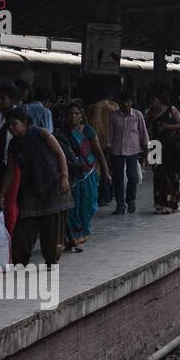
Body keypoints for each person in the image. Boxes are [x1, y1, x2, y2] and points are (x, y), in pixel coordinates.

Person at [0, 109, 71, 266]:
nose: (11, 128)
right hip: (31, 190)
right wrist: (2, 194)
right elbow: (10, 172)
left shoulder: (40, 133)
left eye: (14, 124)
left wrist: (64, 177)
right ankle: (20, 261)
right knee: (23, 231)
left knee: (52, 232)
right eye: (9, 125)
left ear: (24, 123)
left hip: (53, 185)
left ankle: (51, 260)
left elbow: (60, 154)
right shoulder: (14, 144)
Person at [61, 101, 110, 253]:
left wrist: (106, 171)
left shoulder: (88, 131)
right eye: (70, 114)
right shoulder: (63, 133)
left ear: (81, 116)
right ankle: (74, 235)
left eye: (76, 113)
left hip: (89, 172)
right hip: (73, 174)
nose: (73, 116)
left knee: (88, 203)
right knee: (73, 205)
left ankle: (85, 230)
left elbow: (98, 152)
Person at [108, 93, 149, 217]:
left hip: (133, 150)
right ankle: (120, 205)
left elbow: (143, 133)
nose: (125, 104)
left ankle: (131, 200)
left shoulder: (137, 115)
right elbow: (110, 134)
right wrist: (108, 151)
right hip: (117, 150)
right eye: (122, 101)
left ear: (131, 102)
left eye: (128, 101)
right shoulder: (114, 116)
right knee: (118, 178)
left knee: (132, 176)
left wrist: (146, 150)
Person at [147, 92, 180, 215]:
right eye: (151, 100)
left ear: (161, 100)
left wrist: (167, 126)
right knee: (158, 174)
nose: (152, 102)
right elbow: (148, 131)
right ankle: (161, 204)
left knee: (172, 174)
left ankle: (172, 204)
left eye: (154, 99)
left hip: (171, 147)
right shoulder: (149, 114)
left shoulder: (171, 110)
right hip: (155, 146)